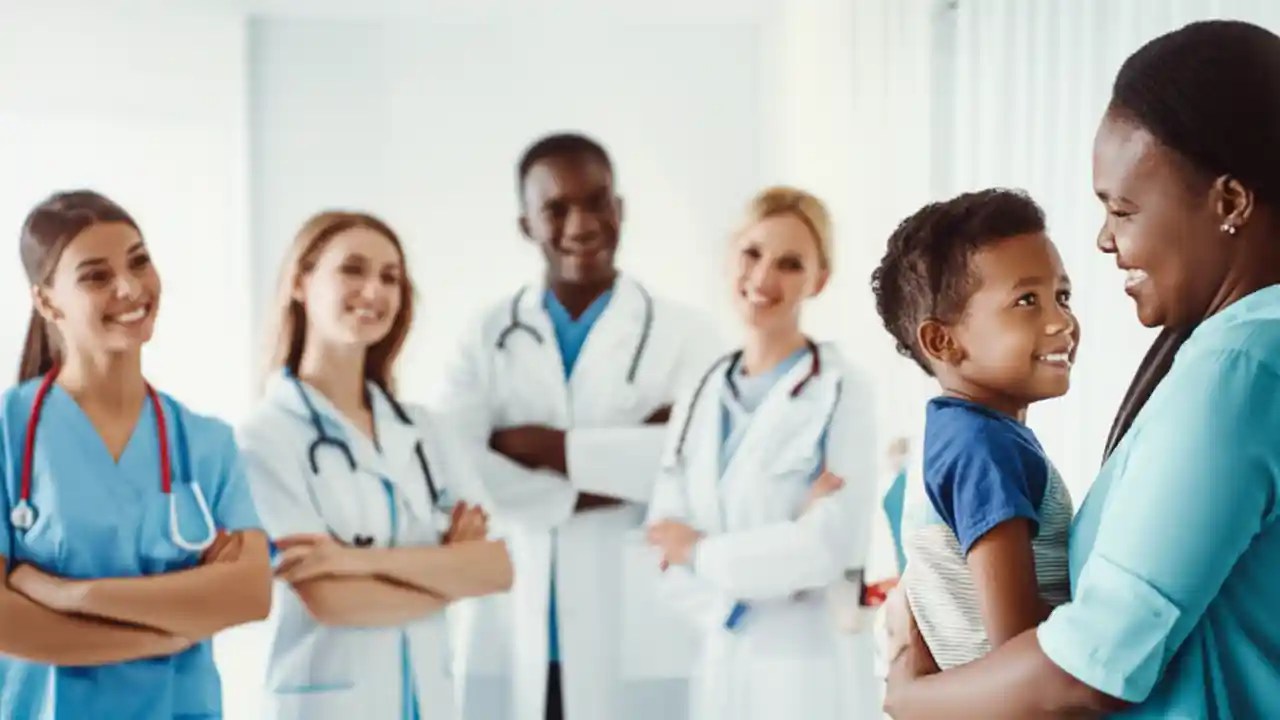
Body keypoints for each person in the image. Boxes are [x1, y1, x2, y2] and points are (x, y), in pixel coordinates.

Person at [884, 20, 1280, 719]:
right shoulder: (1234, 354)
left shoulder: (1240, 369)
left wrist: (913, 699)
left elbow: (1084, 670)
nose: (1104, 240)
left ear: (1229, 203)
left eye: (1122, 210)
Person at [432, 132, 724, 720]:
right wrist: (620, 464)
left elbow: (694, 465)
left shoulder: (686, 334)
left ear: (621, 209)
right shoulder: (485, 334)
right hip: (513, 619)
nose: (581, 224)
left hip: (637, 622)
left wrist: (538, 447)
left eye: (596, 202)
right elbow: (457, 466)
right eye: (555, 208)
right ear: (526, 224)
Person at [0, 190, 271, 718]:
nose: (129, 287)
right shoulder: (11, 435)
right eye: (96, 276)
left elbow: (251, 594)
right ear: (48, 303)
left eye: (139, 261)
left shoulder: (205, 443)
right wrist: (164, 632)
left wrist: (70, 595)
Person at [237, 211, 515, 720]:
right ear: (300, 282)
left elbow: (497, 568)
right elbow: (332, 601)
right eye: (353, 269)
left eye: (390, 278)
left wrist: (354, 562)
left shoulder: (428, 431)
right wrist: (448, 571)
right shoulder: (265, 438)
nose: (374, 290)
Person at [644, 186, 877, 720]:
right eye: (752, 254)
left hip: (805, 672)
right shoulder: (701, 391)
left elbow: (826, 549)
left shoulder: (843, 391)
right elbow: (661, 543)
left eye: (790, 264)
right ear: (730, 257)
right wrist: (773, 557)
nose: (764, 277)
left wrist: (699, 552)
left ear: (819, 280)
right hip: (720, 662)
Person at [870, 189, 1077, 670]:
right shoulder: (984, 447)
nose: (1062, 321)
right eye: (1027, 300)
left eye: (1062, 297)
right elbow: (1015, 641)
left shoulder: (957, 434)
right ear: (942, 341)